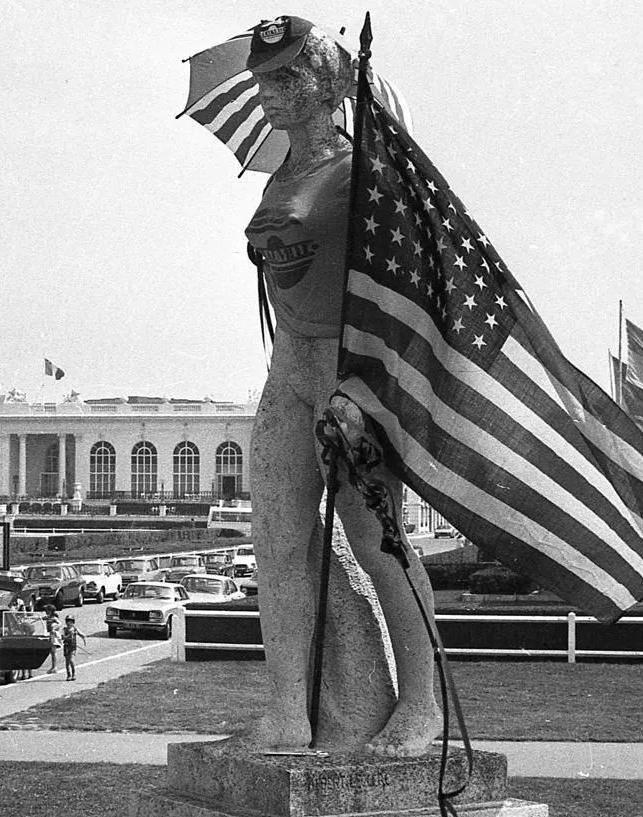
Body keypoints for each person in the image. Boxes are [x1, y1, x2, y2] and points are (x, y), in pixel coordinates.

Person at [243, 15, 439, 757]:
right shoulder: (277, 176)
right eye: (265, 77)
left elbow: (403, 286)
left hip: (350, 371)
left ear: (331, 83)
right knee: (279, 543)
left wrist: (362, 387)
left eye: (290, 75)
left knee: (376, 536)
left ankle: (422, 704)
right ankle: (289, 709)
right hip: (287, 372)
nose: (272, 91)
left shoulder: (367, 174)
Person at [60, 616, 87, 681]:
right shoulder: (64, 630)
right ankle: (68, 675)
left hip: (73, 646)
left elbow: (80, 634)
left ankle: (73, 674)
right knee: (67, 661)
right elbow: (63, 637)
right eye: (67, 622)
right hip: (66, 646)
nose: (69, 623)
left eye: (70, 622)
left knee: (71, 659)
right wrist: (69, 635)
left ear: (73, 622)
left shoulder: (75, 629)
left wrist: (82, 636)